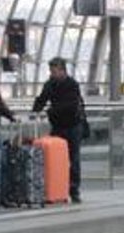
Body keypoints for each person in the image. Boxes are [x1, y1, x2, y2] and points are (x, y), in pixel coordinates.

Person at [33, 57, 86, 203]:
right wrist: (35, 111)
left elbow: (69, 105)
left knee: (73, 158)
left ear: (62, 70)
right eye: (51, 70)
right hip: (58, 126)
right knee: (57, 158)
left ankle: (74, 189)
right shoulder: (50, 84)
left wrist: (49, 112)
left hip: (73, 126)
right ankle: (58, 188)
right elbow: (42, 99)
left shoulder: (72, 84)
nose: (51, 73)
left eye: (54, 71)